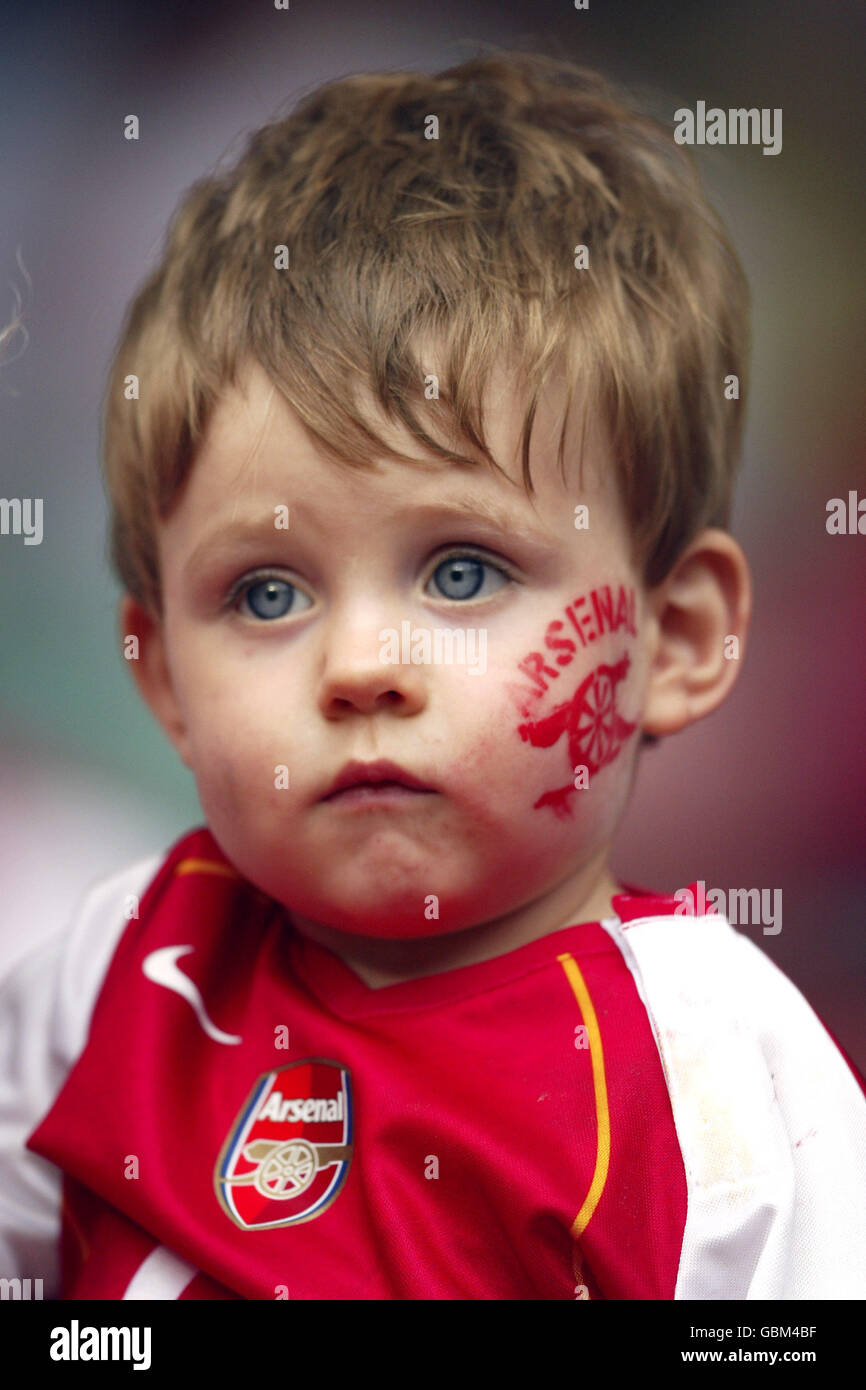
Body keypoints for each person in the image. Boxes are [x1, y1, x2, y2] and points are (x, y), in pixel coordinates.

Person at [1, 50, 864, 1301]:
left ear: (671, 643)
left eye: (460, 573)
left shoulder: (724, 1087)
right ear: (166, 684)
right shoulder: (105, 977)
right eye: (267, 593)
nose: (358, 668)